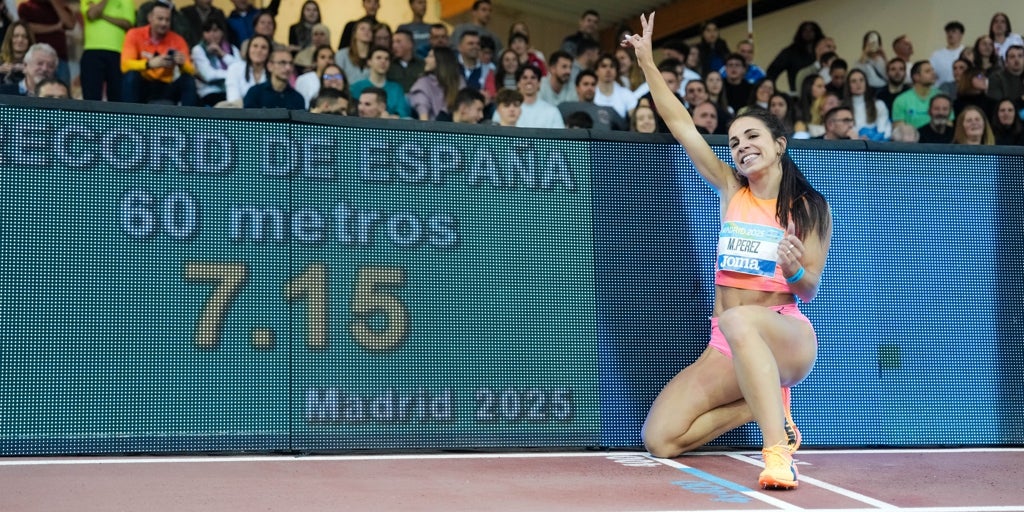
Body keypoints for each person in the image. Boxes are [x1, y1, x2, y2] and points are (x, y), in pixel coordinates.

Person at [623, 12, 831, 491]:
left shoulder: (808, 207)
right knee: (659, 438)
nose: (740, 147)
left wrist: (795, 271)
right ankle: (765, 406)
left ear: (779, 145)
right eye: (734, 142)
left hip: (787, 340)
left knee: (740, 320)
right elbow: (680, 123)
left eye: (752, 136)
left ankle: (777, 451)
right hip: (726, 343)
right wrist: (648, 63)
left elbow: (811, 290)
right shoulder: (728, 189)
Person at [120, 0, 196, 105]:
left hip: (167, 87)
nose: (164, 23)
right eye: (160, 19)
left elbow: (191, 70)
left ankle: (189, 119)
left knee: (188, 80)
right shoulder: (134, 34)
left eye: (167, 20)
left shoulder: (178, 40)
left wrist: (182, 64)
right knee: (131, 76)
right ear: (150, 18)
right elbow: (125, 65)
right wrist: (149, 64)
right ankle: (128, 118)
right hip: (143, 85)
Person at [79, 0, 133, 101]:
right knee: (91, 97)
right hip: (92, 51)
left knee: (117, 97)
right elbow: (92, 14)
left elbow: (128, 24)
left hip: (118, 53)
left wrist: (103, 16)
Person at [18, 0, 76, 84]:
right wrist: (55, 27)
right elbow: (27, 28)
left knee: (62, 92)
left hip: (60, 59)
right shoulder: (26, 6)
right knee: (35, 91)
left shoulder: (60, 6)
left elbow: (70, 24)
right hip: (36, 60)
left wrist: (54, 2)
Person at [349, 45, 410, 118]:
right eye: (378, 58)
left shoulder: (396, 88)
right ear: (369, 62)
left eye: (386, 59)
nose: (383, 61)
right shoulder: (356, 87)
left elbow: (403, 114)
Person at [557, 69, 627, 131]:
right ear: (577, 88)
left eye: (593, 84)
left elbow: (626, 129)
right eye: (586, 84)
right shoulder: (564, 107)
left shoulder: (609, 110)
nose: (590, 88)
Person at [766, 21, 824, 93]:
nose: (808, 32)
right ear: (800, 33)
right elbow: (772, 72)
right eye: (805, 30)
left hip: (823, 96)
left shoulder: (824, 51)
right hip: (799, 97)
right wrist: (777, 94)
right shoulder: (790, 52)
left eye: (811, 30)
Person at [191, 17, 239, 106]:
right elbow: (209, 75)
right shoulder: (198, 50)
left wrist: (222, 54)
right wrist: (232, 74)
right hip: (210, 92)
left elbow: (240, 69)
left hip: (232, 90)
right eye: (208, 31)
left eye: (215, 30)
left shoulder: (232, 48)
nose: (212, 34)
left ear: (222, 32)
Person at [408, 45, 462, 121]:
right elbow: (424, 121)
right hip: (433, 130)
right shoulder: (422, 84)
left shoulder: (459, 82)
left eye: (430, 56)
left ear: (441, 60)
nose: (425, 60)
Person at [843, 68, 891, 140]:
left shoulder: (879, 105)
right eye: (853, 81)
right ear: (848, 85)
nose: (858, 84)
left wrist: (871, 140)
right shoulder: (842, 108)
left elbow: (883, 130)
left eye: (861, 80)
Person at [222, 32, 269, 105]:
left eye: (264, 47)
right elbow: (233, 100)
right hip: (239, 113)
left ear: (269, 52)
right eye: (255, 46)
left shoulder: (273, 71)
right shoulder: (235, 68)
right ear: (248, 49)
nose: (259, 50)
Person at [891, 60, 939, 128]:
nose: (933, 73)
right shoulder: (901, 100)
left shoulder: (941, 97)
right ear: (916, 77)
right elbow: (899, 129)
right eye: (928, 71)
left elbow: (948, 125)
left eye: (932, 70)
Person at [335, 17, 372, 84]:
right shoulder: (342, 54)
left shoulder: (376, 55)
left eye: (370, 30)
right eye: (362, 29)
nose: (366, 32)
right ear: (355, 34)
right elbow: (337, 76)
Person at [930, 21, 965, 87]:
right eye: (948, 32)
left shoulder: (966, 52)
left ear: (961, 35)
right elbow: (931, 74)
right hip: (940, 91)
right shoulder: (936, 54)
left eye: (954, 31)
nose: (950, 34)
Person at [1, 21, 33, 85]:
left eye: (24, 36)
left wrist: (29, 70)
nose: (20, 40)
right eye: (16, 36)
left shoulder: (35, 62)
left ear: (29, 40)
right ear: (9, 39)